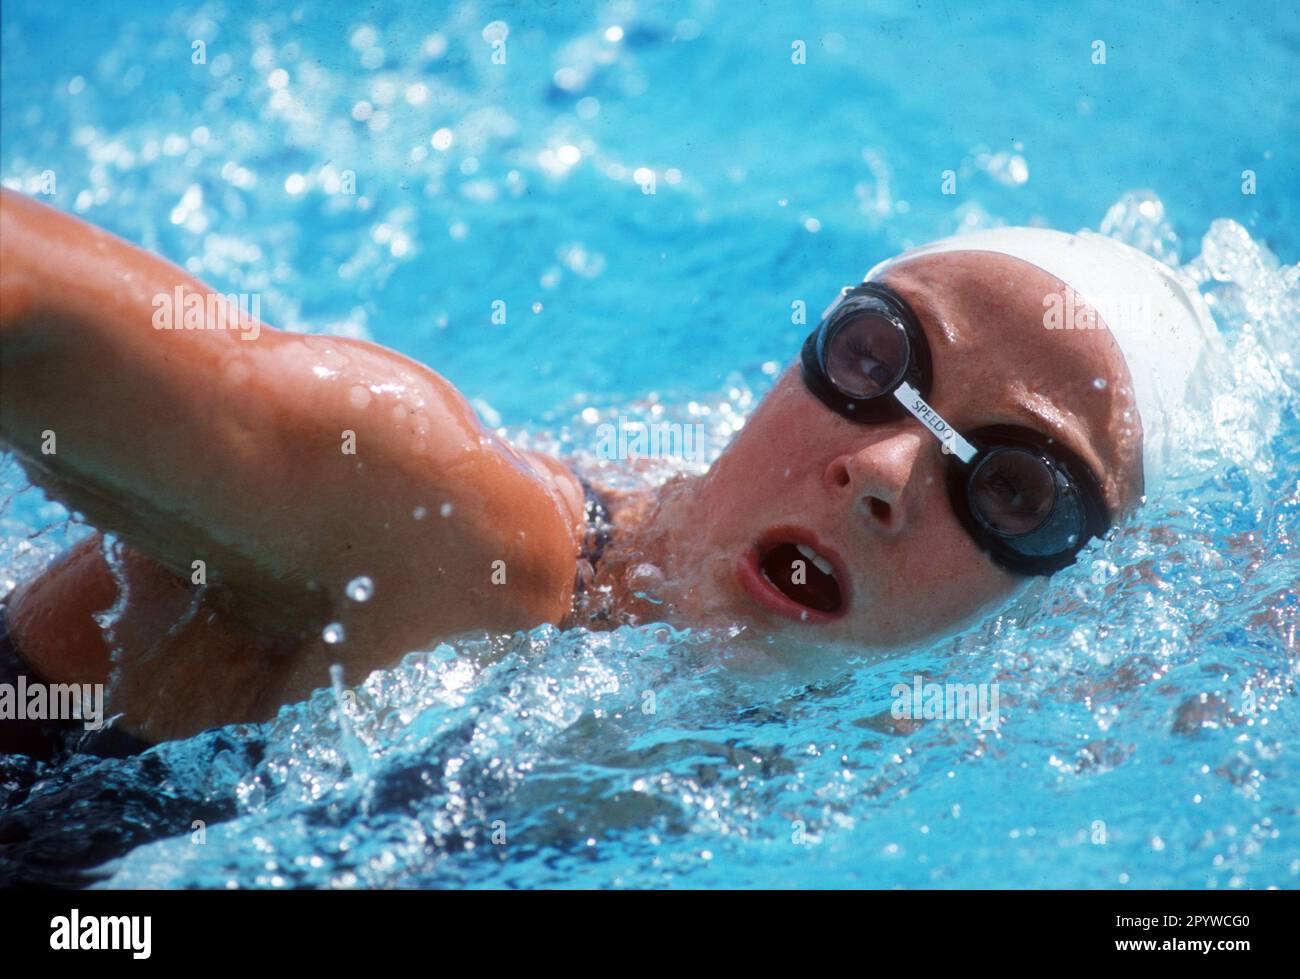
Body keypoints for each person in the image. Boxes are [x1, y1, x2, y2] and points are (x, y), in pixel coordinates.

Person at [0, 189, 1221, 753]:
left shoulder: (939, 694)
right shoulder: (437, 527)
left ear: (1056, 590)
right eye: (875, 357)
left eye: (1013, 489)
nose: (883, 471)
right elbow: (37, 300)